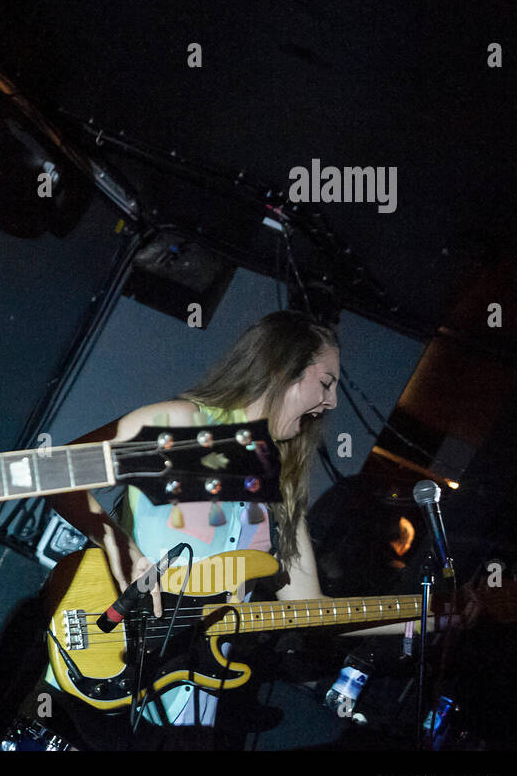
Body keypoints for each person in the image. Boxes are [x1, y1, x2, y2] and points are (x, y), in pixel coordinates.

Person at [44, 310, 341, 743]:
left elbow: (308, 608)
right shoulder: (182, 423)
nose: (331, 403)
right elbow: (57, 471)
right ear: (282, 367)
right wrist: (121, 549)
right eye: (326, 383)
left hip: (189, 711)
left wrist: (428, 615)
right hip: (104, 673)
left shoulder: (285, 482)